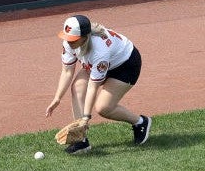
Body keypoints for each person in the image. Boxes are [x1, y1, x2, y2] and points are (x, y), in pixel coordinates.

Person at [45, 15, 152, 155]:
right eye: (67, 38)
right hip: (101, 64)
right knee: (77, 87)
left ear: (85, 37)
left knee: (103, 108)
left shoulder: (99, 50)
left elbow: (92, 86)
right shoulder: (69, 42)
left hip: (126, 65)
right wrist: (57, 98)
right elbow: (66, 71)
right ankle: (81, 141)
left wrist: (85, 117)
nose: (69, 42)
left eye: (73, 40)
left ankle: (140, 122)